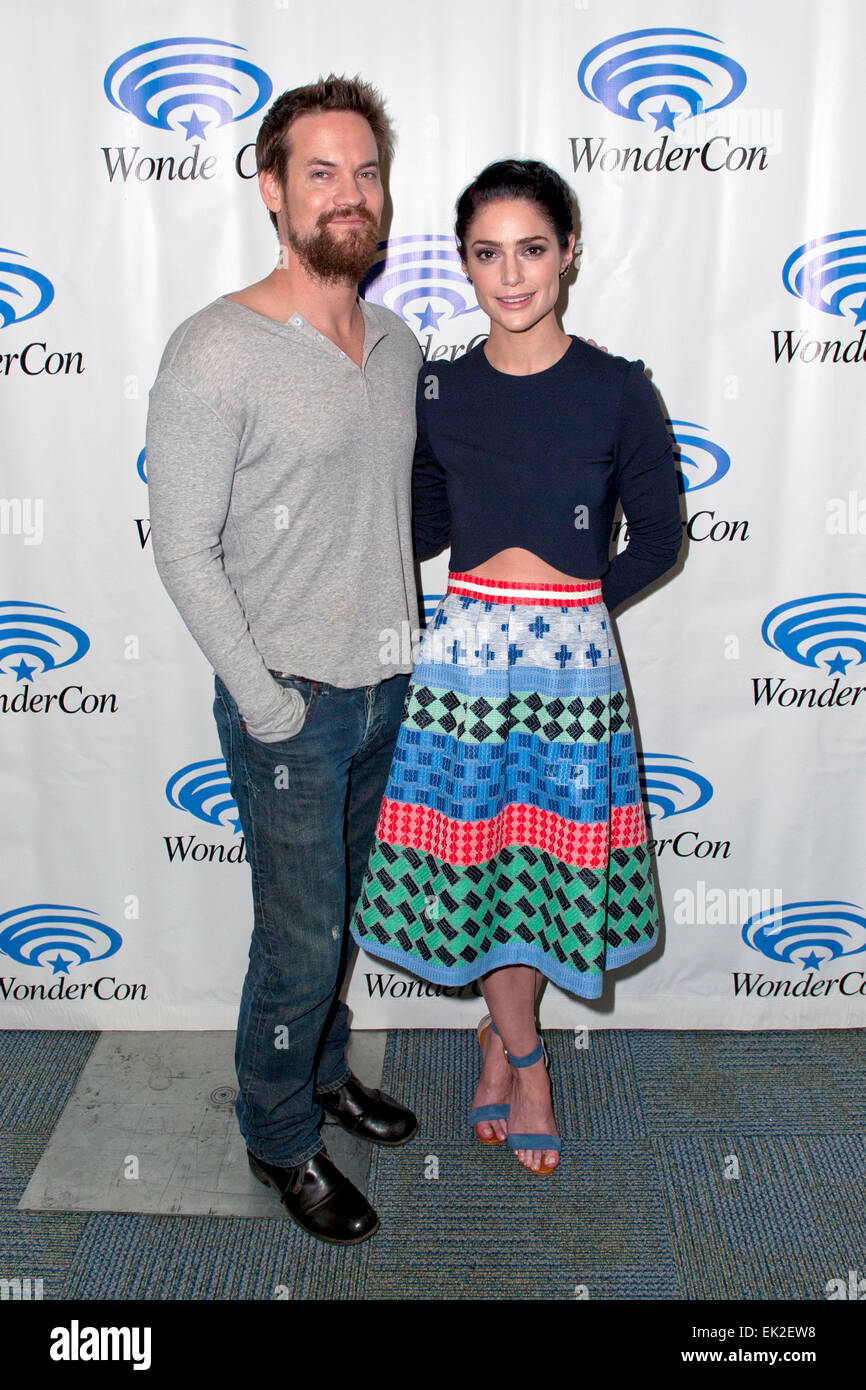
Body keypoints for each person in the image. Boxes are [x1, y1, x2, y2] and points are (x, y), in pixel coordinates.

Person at [350, 159, 683, 1176]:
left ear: (568, 250)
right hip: (460, 665)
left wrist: (571, 613)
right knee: (482, 862)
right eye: (486, 253)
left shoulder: (616, 389)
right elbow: (428, 521)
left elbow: (657, 538)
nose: (510, 274)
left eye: (530, 248)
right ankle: (527, 1056)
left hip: (569, 672)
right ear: (461, 263)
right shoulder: (438, 386)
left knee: (539, 872)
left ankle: (501, 1043)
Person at [145, 76, 423, 1245]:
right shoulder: (215, 350)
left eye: (365, 172)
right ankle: (277, 1133)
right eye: (321, 171)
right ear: (271, 189)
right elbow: (181, 543)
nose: (348, 194)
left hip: (386, 692)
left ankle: (316, 1075)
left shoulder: (399, 342)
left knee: (337, 923)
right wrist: (264, 703)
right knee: (297, 937)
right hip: (289, 708)